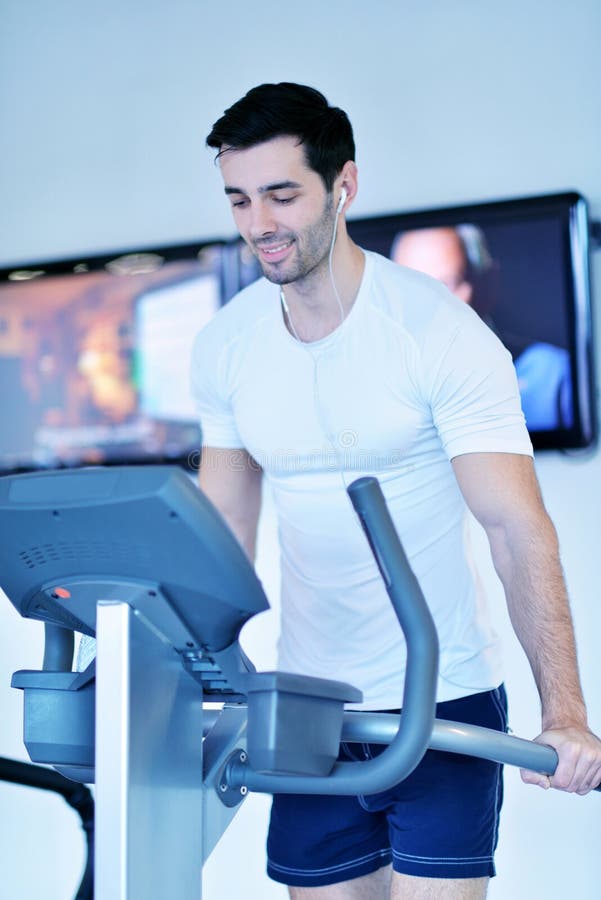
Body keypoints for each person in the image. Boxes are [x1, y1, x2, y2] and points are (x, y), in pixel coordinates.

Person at [192, 83, 601, 900]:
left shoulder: (436, 333)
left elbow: (517, 530)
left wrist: (565, 712)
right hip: (308, 706)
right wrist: (192, 672)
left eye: (281, 194)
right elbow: (220, 532)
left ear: (344, 185)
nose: (257, 224)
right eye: (239, 199)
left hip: (441, 697)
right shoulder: (226, 343)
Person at [390, 225, 573, 431]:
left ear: (488, 284)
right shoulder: (374, 390)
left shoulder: (555, 380)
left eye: (446, 285)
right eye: (410, 288)